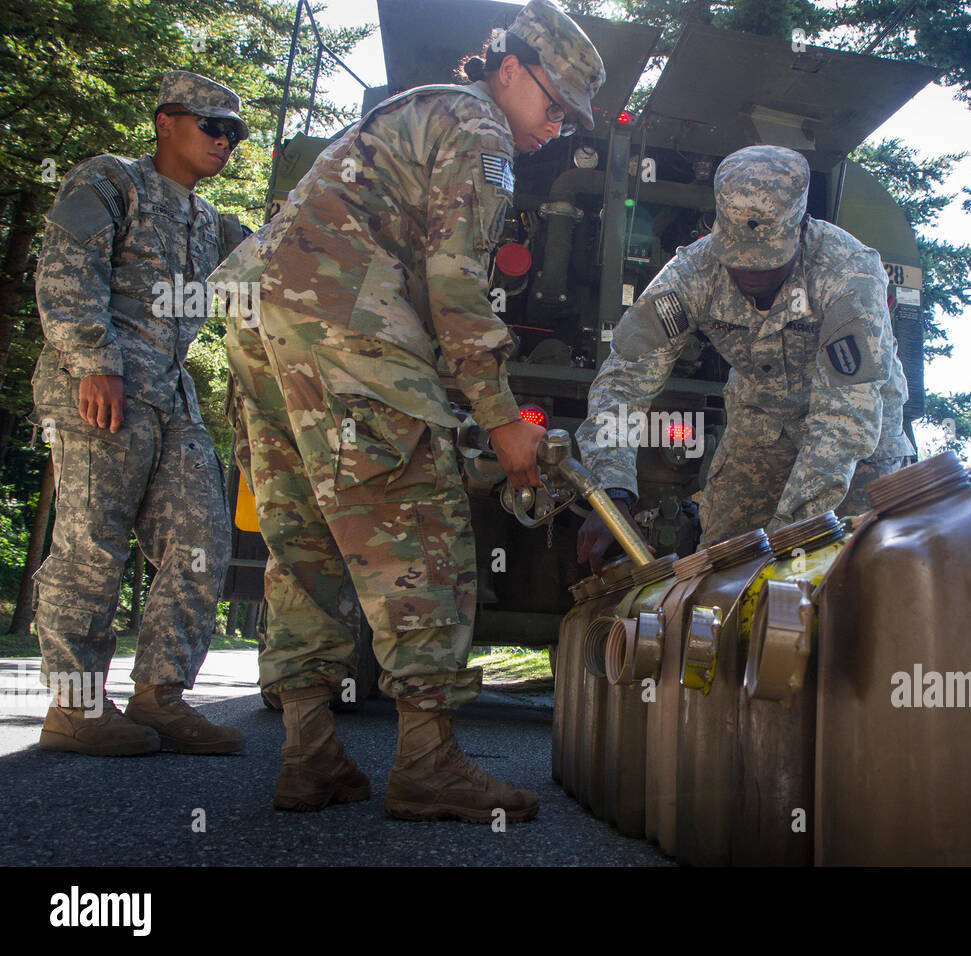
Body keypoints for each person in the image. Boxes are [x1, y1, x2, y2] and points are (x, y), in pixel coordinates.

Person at [215, 0, 604, 820]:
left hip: (262, 326)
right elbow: (455, 281)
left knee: (305, 534)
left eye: (571, 116)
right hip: (346, 323)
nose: (557, 126)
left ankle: (309, 754)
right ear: (509, 69)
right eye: (553, 102)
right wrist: (503, 422)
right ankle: (427, 761)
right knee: (420, 527)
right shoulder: (481, 129)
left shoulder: (418, 109)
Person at [31, 70, 249, 756]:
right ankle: (75, 708)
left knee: (202, 539)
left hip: (172, 397)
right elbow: (67, 272)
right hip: (105, 382)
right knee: (92, 542)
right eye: (212, 126)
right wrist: (94, 361)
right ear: (166, 121)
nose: (225, 143)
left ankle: (160, 696)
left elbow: (279, 255)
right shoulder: (109, 179)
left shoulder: (209, 220)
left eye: (234, 133)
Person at [576, 145, 915, 571]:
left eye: (768, 262)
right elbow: (624, 379)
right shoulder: (692, 275)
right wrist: (613, 493)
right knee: (720, 575)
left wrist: (785, 543)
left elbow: (843, 422)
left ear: (800, 228)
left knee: (856, 582)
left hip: (857, 454)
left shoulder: (848, 276)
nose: (751, 275)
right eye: (738, 259)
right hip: (759, 436)